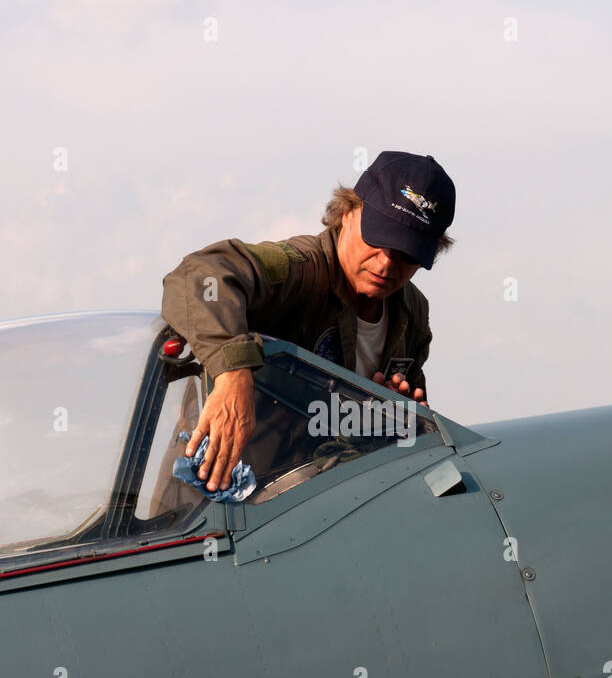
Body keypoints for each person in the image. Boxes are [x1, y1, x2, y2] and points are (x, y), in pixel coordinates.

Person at [160, 150, 456, 492]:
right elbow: (197, 276)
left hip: (325, 508)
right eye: (378, 239)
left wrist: (391, 424)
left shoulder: (412, 315)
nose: (387, 263)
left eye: (407, 252)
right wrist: (233, 372)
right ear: (348, 213)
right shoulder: (298, 268)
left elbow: (388, 442)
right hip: (213, 498)